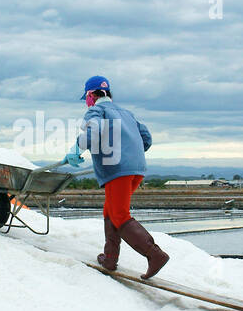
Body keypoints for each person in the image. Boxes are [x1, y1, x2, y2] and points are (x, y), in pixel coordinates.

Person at [64, 75, 169, 279]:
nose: (87, 101)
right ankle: (110, 258)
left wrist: (77, 148)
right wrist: (131, 152)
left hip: (117, 170)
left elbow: (92, 133)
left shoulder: (96, 111)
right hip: (136, 169)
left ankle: (155, 255)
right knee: (110, 210)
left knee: (119, 214)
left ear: (91, 95)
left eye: (87, 97)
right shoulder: (127, 113)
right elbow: (146, 138)